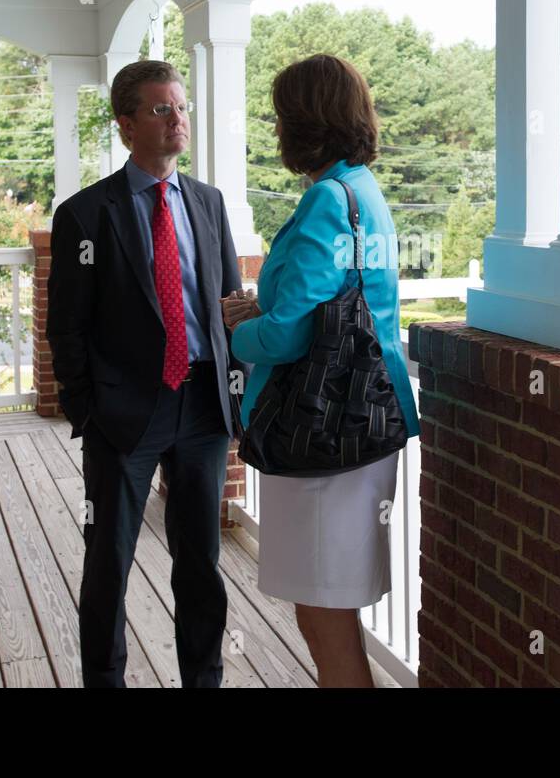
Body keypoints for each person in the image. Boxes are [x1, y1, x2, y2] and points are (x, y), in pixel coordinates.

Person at [46, 59, 250, 687]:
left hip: (202, 409)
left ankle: (203, 680)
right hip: (123, 416)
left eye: (181, 107)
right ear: (126, 123)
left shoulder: (210, 204)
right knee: (108, 562)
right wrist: (90, 409)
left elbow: (230, 308)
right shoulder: (85, 216)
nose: (177, 119)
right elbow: (67, 327)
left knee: (201, 565)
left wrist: (234, 398)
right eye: (162, 109)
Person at [223, 54, 420, 688]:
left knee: (323, 616)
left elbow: (286, 334)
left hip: (323, 422)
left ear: (304, 122)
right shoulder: (362, 191)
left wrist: (237, 330)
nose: (276, 128)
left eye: (282, 116)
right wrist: (267, 307)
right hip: (359, 411)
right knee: (327, 609)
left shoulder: (326, 202)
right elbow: (334, 299)